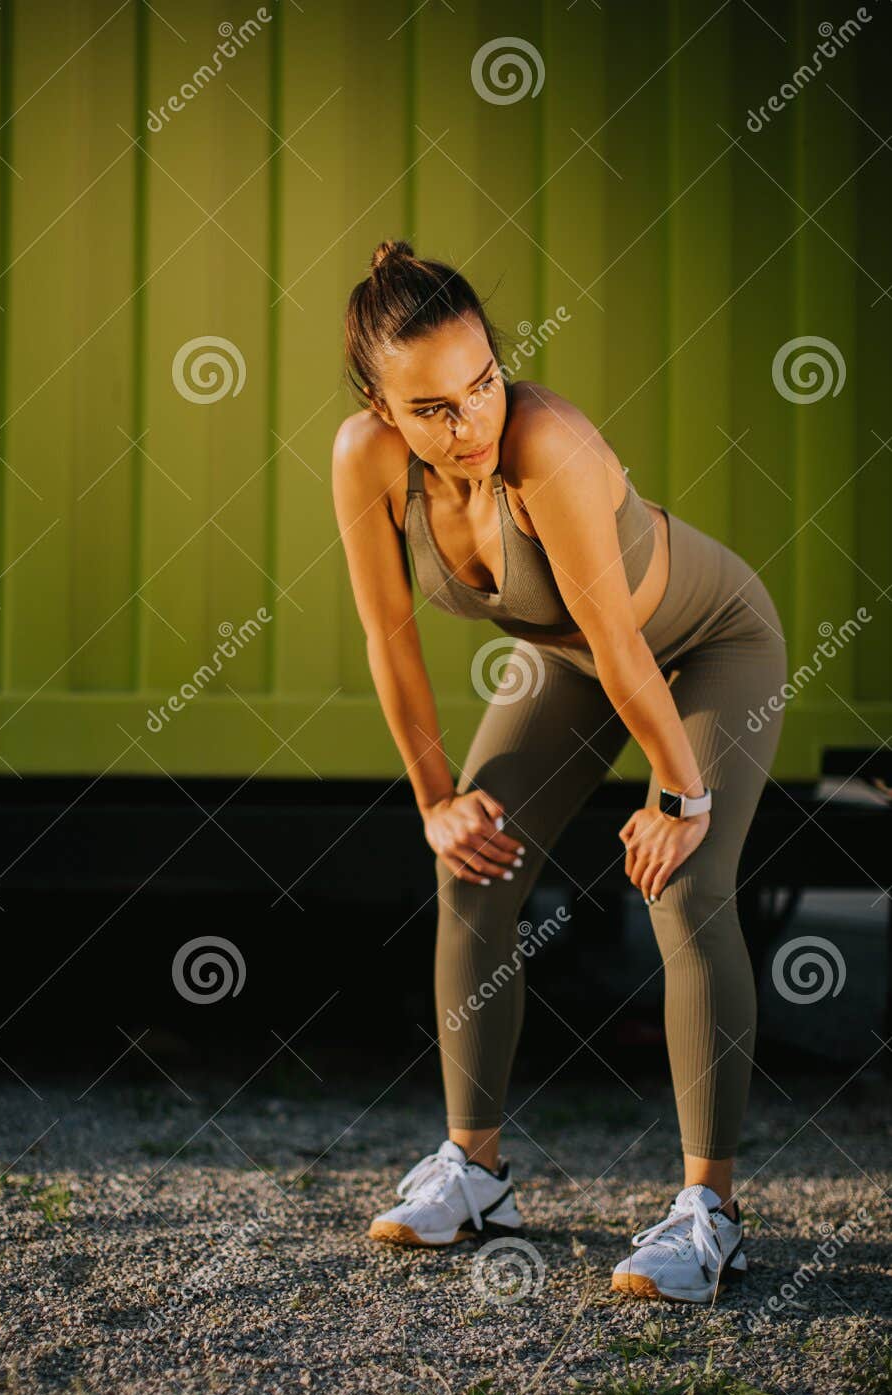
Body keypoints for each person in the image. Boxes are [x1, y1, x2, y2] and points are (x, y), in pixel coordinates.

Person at [330, 241, 788, 1306]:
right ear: (380, 406)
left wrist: (680, 796)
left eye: (482, 382)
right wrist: (437, 800)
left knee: (684, 885)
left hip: (704, 644)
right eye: (434, 406)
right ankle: (473, 1170)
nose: (471, 420)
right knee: (472, 865)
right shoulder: (364, 460)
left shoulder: (550, 446)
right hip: (577, 659)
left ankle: (707, 1211)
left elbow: (630, 649)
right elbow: (386, 637)